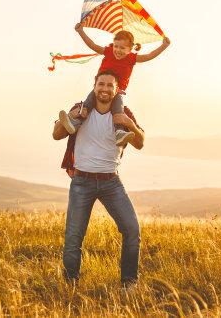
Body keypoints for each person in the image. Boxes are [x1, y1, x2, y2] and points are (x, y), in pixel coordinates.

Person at [52, 69, 145, 286]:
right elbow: (56, 134)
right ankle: (70, 283)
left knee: (132, 230)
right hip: (82, 182)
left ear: (116, 90)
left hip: (111, 182)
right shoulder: (81, 109)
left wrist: (129, 124)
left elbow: (140, 142)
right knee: (74, 236)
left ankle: (129, 283)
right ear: (94, 85)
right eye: (101, 84)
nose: (104, 89)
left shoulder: (123, 113)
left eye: (109, 86)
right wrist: (72, 116)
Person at [58, 22, 170, 147]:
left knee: (118, 112)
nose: (118, 50)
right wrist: (81, 31)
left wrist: (163, 46)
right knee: (86, 106)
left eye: (122, 48)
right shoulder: (108, 51)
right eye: (116, 46)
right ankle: (74, 123)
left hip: (117, 93)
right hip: (98, 90)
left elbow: (149, 56)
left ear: (130, 48)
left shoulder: (132, 58)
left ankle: (119, 132)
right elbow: (93, 45)